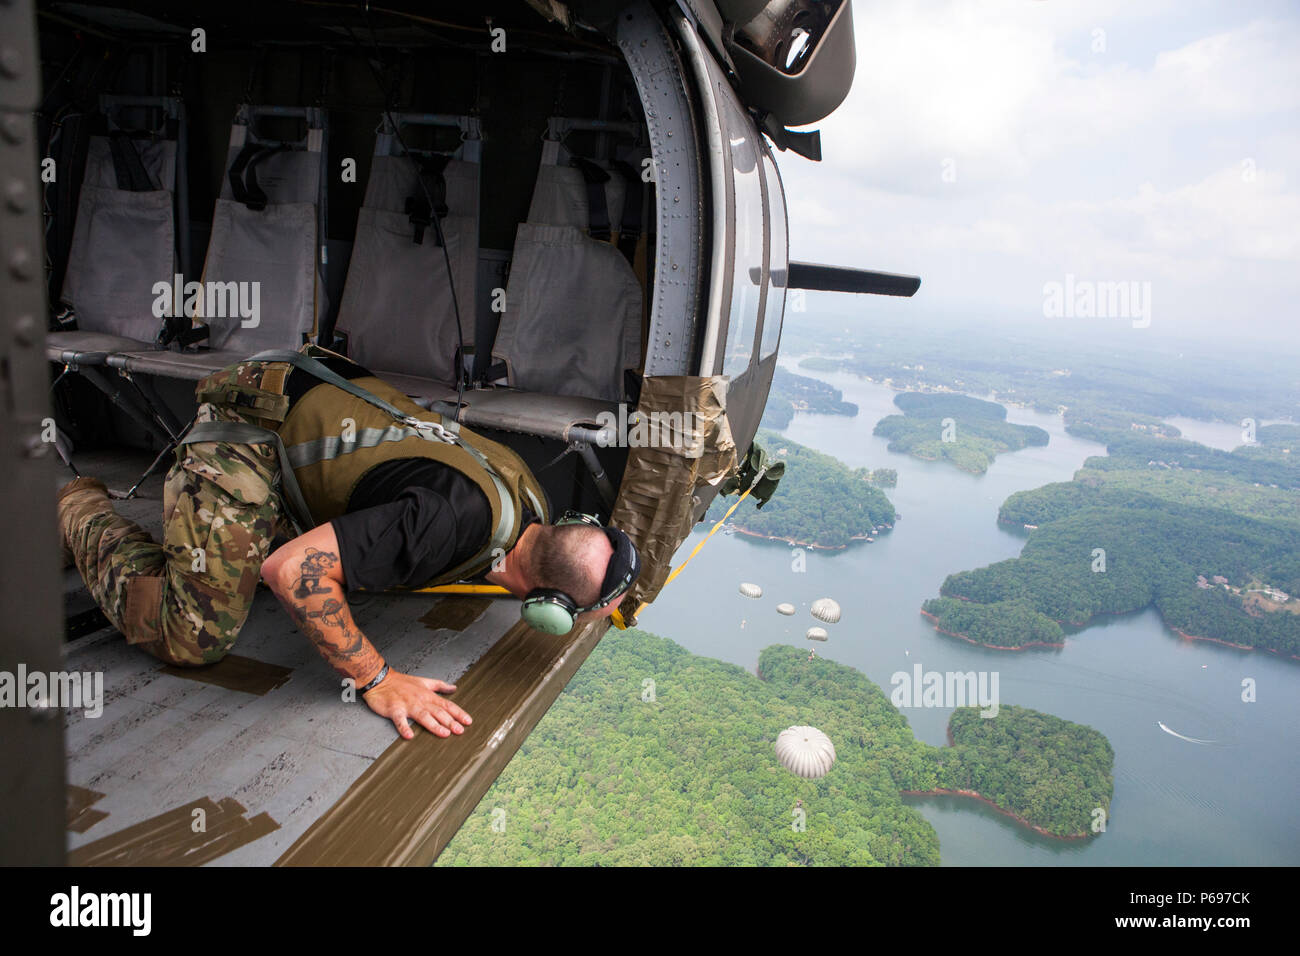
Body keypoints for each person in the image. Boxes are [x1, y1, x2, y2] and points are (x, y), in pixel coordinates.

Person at [57, 346, 640, 740]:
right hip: (254, 426)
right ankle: (76, 507)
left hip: (306, 389)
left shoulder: (528, 500)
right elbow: (291, 572)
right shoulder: (446, 527)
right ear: (548, 609)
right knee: (193, 634)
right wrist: (377, 679)